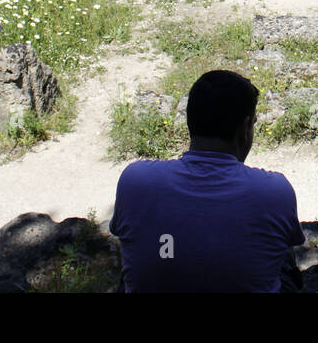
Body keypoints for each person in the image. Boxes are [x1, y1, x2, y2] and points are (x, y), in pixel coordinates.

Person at [109, 69, 304, 292]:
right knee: (282, 254)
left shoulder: (135, 181)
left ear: (190, 120)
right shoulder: (274, 192)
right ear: (244, 128)